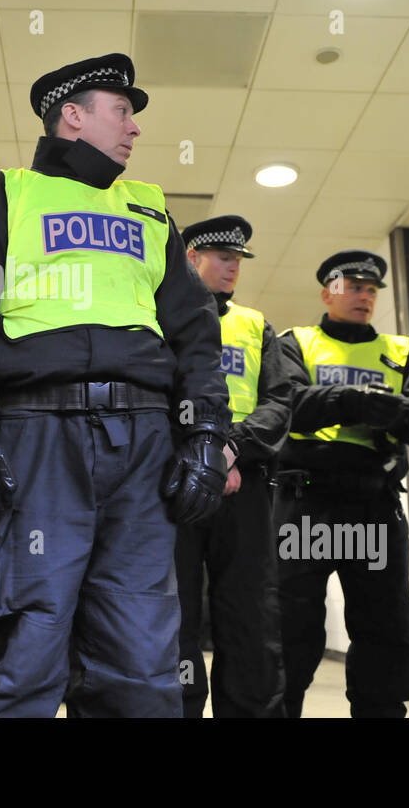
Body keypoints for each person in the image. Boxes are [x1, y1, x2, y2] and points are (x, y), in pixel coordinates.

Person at [0, 53, 233, 718]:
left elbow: (196, 333)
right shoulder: (4, 197)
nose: (135, 129)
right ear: (73, 114)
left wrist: (206, 430)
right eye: (122, 111)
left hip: (142, 446)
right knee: (30, 648)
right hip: (38, 435)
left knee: (143, 660)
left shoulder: (149, 211)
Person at [277, 250, 409, 717]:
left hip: (373, 500)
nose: (365, 296)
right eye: (354, 287)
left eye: (371, 290)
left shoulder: (400, 351)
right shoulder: (296, 342)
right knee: (292, 623)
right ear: (328, 291)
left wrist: (392, 410)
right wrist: (353, 400)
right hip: (306, 501)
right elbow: (286, 404)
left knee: (385, 626)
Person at [175, 215, 291, 718]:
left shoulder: (255, 325)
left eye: (239, 260)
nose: (233, 268)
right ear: (191, 258)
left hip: (244, 485)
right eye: (224, 257)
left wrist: (231, 450)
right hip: (177, 480)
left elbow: (280, 401)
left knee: (249, 617)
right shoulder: (162, 321)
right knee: (173, 615)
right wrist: (204, 453)